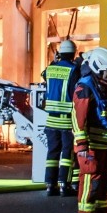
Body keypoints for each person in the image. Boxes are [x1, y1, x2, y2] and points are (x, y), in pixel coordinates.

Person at [72, 46, 107, 213]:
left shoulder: (104, 87)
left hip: (103, 143)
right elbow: (78, 118)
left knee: (103, 181)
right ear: (97, 68)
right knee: (89, 181)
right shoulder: (85, 87)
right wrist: (82, 144)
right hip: (90, 145)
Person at [40, 39, 79, 196]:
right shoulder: (74, 70)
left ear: (60, 54)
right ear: (74, 54)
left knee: (52, 152)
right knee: (67, 153)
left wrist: (54, 61)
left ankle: (50, 185)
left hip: (50, 118)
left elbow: (44, 75)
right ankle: (65, 185)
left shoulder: (50, 69)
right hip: (66, 118)